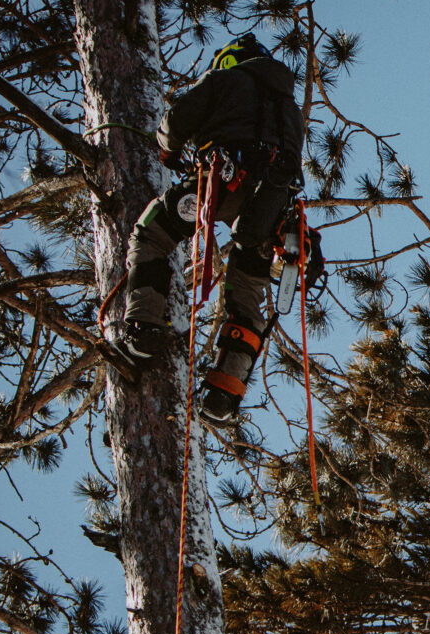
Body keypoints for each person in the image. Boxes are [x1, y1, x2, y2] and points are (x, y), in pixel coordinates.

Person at [113, 32, 312, 426]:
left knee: (152, 233)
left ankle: (144, 329)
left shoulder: (225, 78)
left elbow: (175, 123)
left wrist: (168, 150)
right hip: (270, 207)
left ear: (229, 59)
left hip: (221, 182)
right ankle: (224, 392)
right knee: (247, 290)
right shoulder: (289, 107)